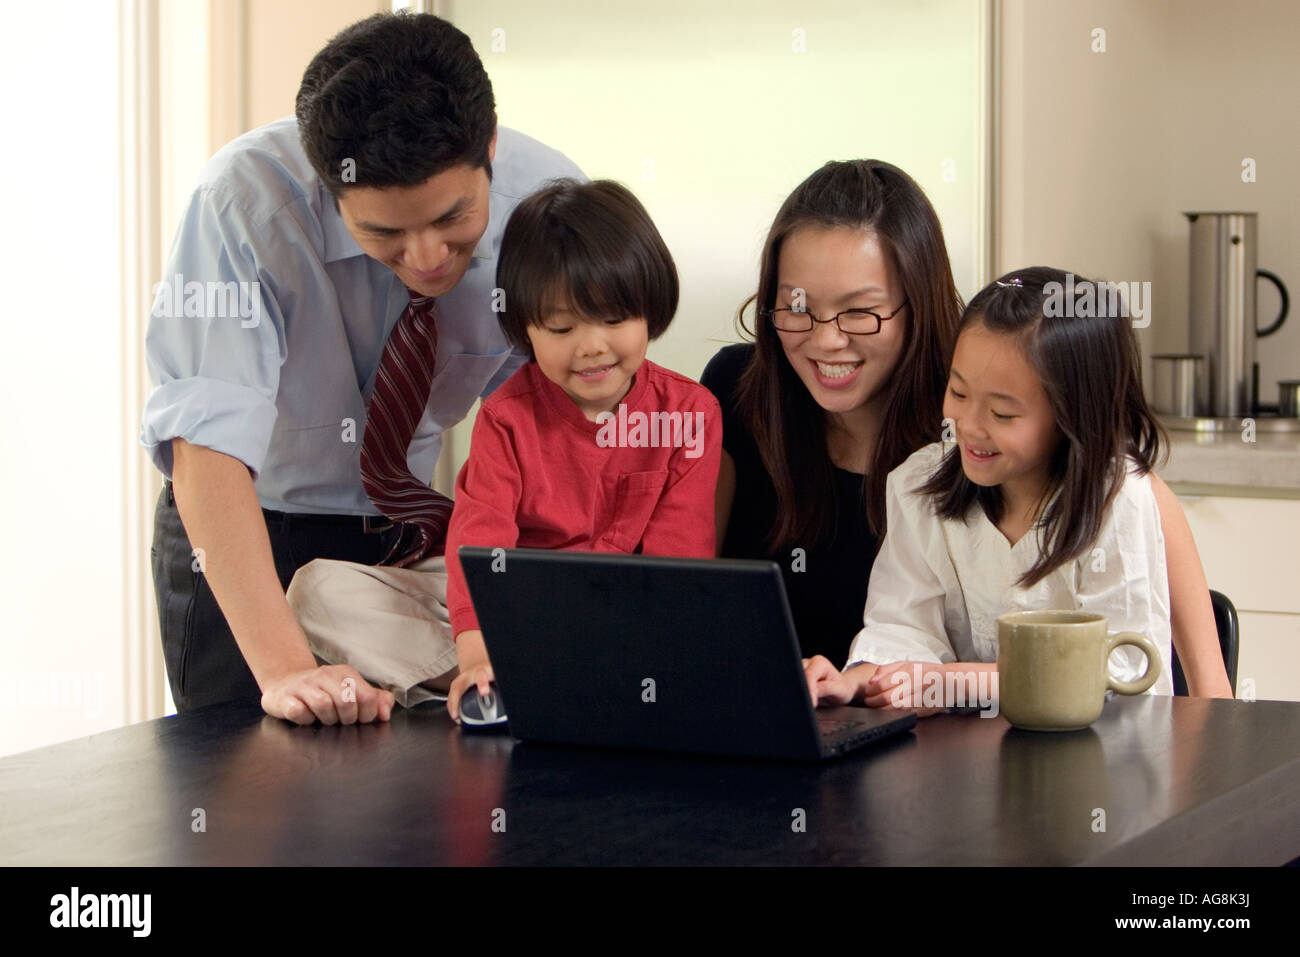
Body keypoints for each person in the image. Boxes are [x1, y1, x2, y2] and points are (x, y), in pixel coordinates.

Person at [140, 11, 584, 723]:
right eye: (385, 231)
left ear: (490, 147)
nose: (428, 256)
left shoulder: (551, 206)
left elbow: (558, 430)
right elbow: (207, 444)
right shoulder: (242, 203)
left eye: (451, 218)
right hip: (248, 526)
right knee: (249, 802)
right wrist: (286, 671)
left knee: (413, 800)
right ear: (329, 182)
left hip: (409, 539)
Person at [804, 267, 1235, 709]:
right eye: (958, 392)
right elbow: (903, 630)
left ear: (1072, 417)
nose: (969, 426)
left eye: (1003, 413)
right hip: (966, 765)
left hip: (1101, 765)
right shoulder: (920, 486)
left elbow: (1119, 669)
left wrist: (955, 681)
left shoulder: (1116, 500)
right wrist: (858, 679)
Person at [441, 179, 722, 721]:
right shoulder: (505, 417)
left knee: (711, 626)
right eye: (563, 326)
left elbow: (679, 564)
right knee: (328, 592)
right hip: (519, 615)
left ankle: (562, 671)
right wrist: (477, 660)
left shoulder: (691, 413)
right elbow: (479, 546)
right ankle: (506, 672)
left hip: (629, 619)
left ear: (650, 310)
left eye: (615, 320)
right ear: (525, 327)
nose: (591, 346)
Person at [701, 160, 961, 665]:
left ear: (920, 305)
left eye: (861, 312)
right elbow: (687, 595)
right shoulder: (735, 390)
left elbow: (1123, 484)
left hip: (939, 733)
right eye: (797, 307)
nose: (826, 340)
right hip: (770, 729)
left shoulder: (972, 417)